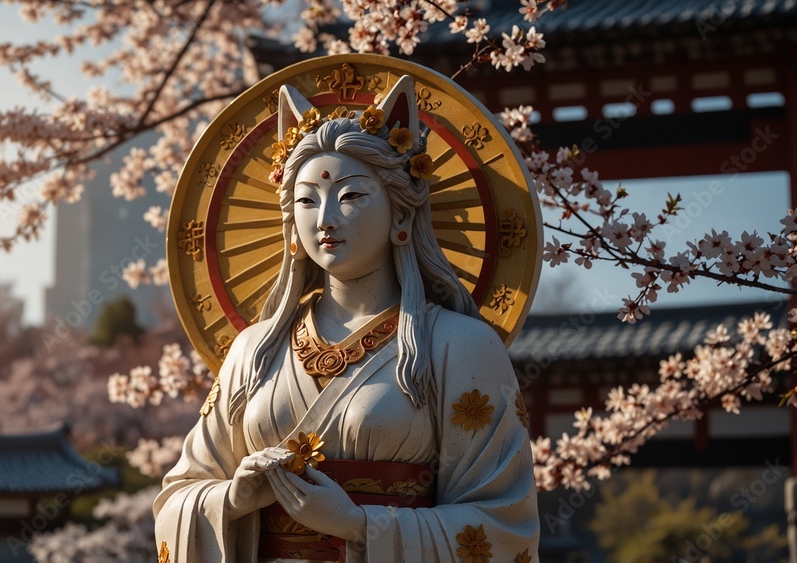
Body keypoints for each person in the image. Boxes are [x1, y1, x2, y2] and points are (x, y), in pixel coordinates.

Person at [154, 76, 539, 562]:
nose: (325, 220)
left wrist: (359, 525)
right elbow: (180, 493)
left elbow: (503, 523)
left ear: (402, 213)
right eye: (307, 201)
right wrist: (232, 499)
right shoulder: (254, 349)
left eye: (351, 196)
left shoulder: (460, 345)